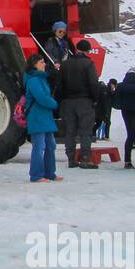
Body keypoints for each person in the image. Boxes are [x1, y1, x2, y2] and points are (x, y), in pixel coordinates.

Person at [56, 38, 100, 169]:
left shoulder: (65, 64)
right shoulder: (88, 64)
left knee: (70, 131)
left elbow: (59, 85)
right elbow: (93, 83)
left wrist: (62, 100)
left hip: (68, 102)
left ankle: (71, 159)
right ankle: (85, 158)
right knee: (85, 131)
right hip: (84, 101)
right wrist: (95, 98)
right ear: (88, 51)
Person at [24, 52, 62, 183]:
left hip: (44, 116)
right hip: (37, 117)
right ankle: (36, 174)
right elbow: (41, 98)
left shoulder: (41, 78)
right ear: (34, 65)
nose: (44, 64)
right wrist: (54, 103)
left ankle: (50, 172)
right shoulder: (33, 80)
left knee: (50, 145)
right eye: (41, 62)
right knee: (39, 146)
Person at [112, 68, 135, 169]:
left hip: (126, 111)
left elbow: (116, 100)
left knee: (130, 134)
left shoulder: (121, 86)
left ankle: (127, 161)